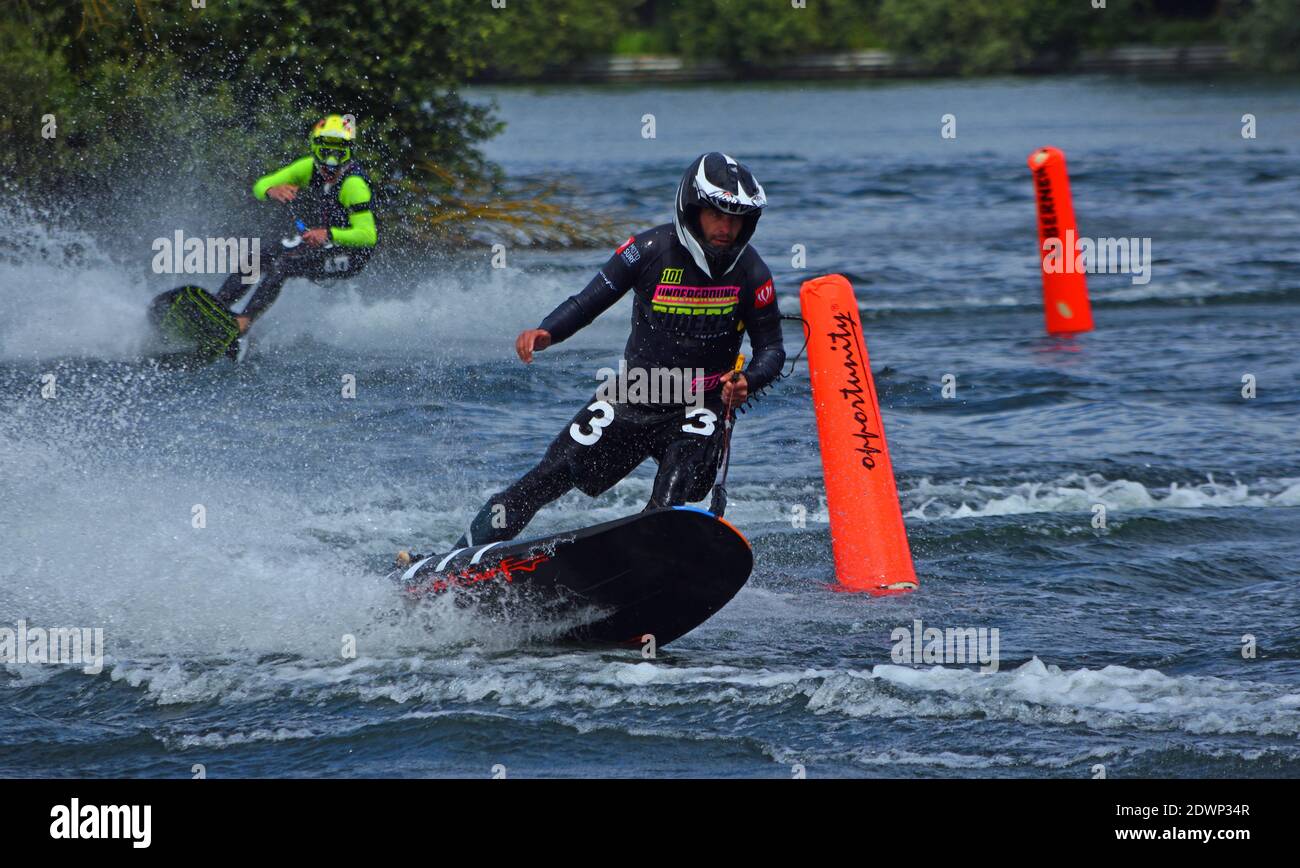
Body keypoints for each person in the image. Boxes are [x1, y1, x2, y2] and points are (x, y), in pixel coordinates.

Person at [428, 152, 785, 556]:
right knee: (546, 477)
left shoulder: (753, 273)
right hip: (635, 393)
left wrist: (747, 380)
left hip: (700, 403)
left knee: (674, 492)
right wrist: (548, 331)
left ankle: (645, 566)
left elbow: (771, 349)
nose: (727, 228)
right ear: (692, 209)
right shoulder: (647, 249)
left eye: (737, 219)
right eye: (717, 215)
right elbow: (587, 302)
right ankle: (452, 561)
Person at [214, 114, 377, 332]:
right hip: (324, 242)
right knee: (261, 256)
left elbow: (368, 236)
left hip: (352, 253)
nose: (331, 162)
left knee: (282, 265)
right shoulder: (308, 168)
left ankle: (242, 324)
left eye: (339, 153)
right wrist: (271, 190)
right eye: (326, 151)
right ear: (315, 148)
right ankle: (217, 306)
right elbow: (261, 185)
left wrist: (329, 234)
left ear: (348, 152)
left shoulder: (353, 185)